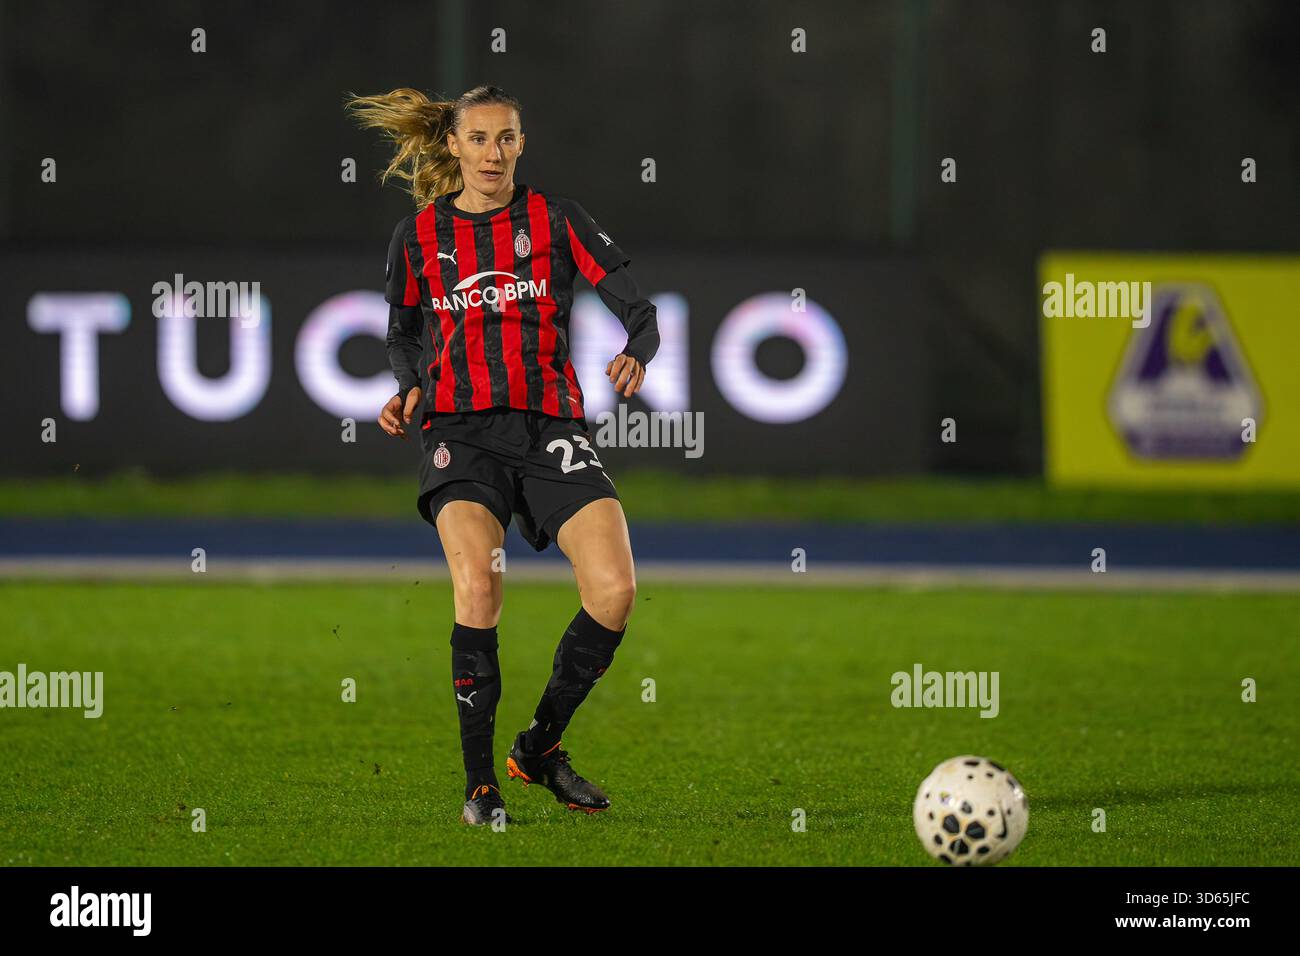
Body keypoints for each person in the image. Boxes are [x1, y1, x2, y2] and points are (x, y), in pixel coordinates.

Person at [347, 85, 659, 825]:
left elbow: (637, 308)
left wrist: (636, 350)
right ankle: (480, 785)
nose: (494, 153)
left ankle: (540, 749)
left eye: (507, 139)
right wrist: (408, 385)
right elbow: (401, 334)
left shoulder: (556, 219)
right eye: (479, 139)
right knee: (480, 591)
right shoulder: (418, 236)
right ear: (452, 146)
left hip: (552, 430)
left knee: (614, 592)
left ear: (522, 144)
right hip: (461, 435)